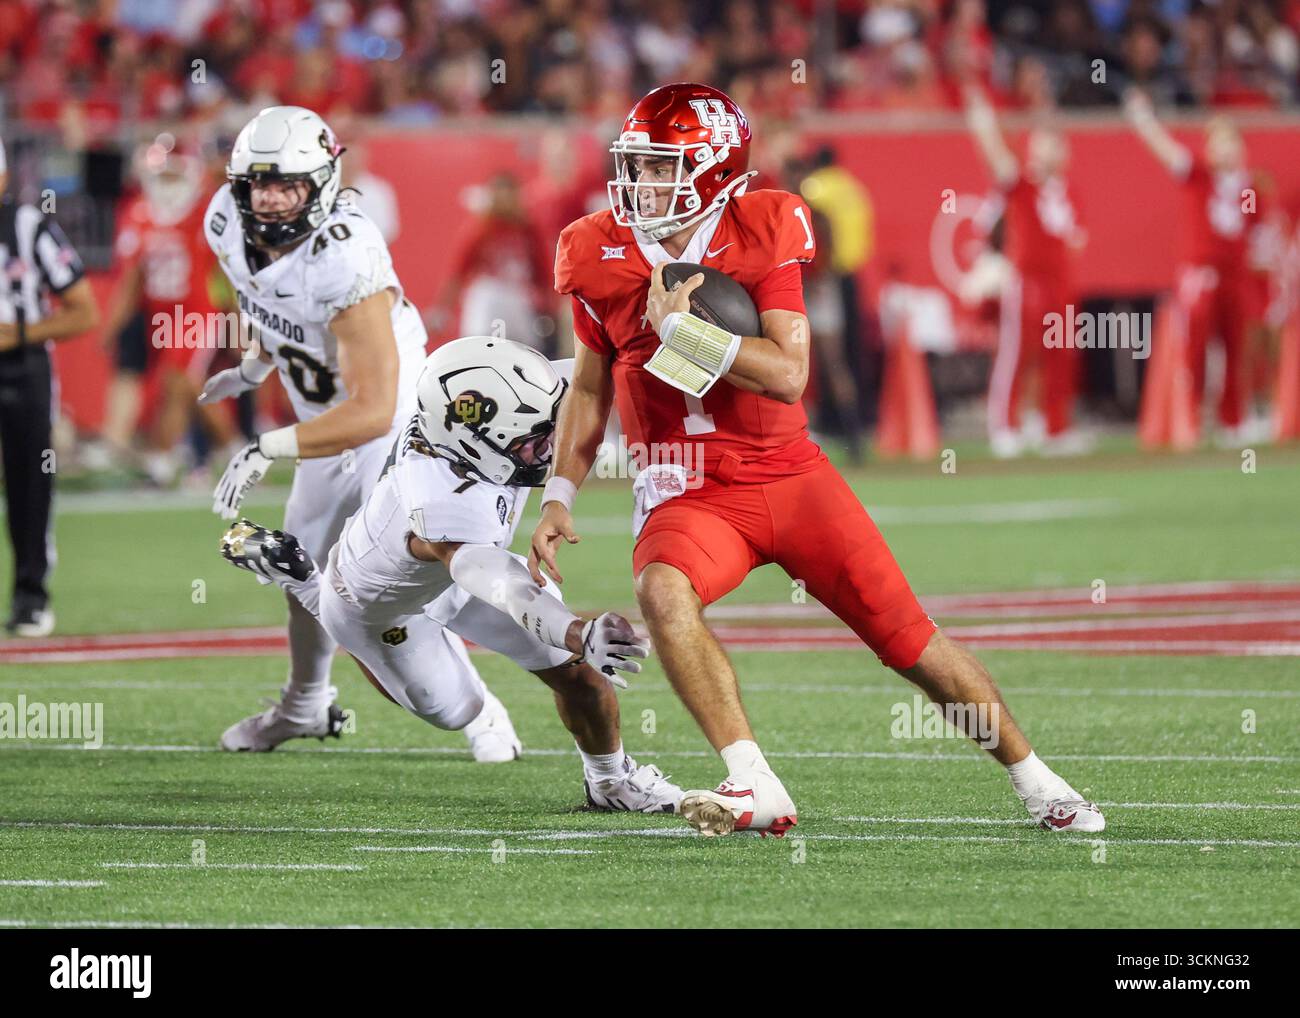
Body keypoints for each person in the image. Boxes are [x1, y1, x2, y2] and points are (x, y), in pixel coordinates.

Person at [531, 82, 1105, 837]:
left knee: (909, 643)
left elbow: (788, 372)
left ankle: (1039, 782)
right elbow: (588, 384)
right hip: (687, 488)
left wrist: (689, 338)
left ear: (710, 169)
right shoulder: (592, 248)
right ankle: (753, 783)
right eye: (635, 164)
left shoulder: (765, 222)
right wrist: (558, 492)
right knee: (663, 592)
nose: (639, 183)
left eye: (660, 166)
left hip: (788, 473)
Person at [221, 336, 680, 812]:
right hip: (375, 605)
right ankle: (304, 581)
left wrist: (705, 349)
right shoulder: (439, 497)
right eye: (532, 441)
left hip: (459, 566)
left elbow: (608, 372)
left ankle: (609, 783)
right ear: (475, 443)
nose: (549, 449)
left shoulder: (510, 406)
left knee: (578, 675)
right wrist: (577, 631)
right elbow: (497, 579)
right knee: (458, 709)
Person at [199, 105, 518, 759]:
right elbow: (260, 296)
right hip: (326, 423)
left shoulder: (345, 252)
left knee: (390, 581)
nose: (271, 200)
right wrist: (255, 365)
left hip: (393, 419)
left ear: (322, 182)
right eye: (259, 184)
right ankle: (305, 704)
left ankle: (485, 711)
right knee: (301, 571)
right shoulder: (225, 223)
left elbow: (372, 409)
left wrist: (267, 445)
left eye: (287, 184)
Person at [0, 136, 101, 636]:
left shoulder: (29, 226)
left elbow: (84, 308)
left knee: (29, 484)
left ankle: (30, 597)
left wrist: (18, 333)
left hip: (21, 367)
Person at [1125, 90, 1257, 444]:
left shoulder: (1248, 188)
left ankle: (1234, 421)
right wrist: (1143, 118)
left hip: (1234, 276)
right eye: (1219, 143)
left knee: (1234, 348)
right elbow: (1166, 151)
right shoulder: (1199, 175)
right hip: (1200, 274)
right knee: (1193, 348)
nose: (1226, 150)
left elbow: (1250, 231)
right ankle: (1189, 418)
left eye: (1232, 142)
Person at [965, 84, 1090, 457]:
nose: (1045, 151)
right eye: (1039, 145)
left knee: (1061, 353)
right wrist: (983, 120)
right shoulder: (1023, 185)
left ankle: (1056, 427)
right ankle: (1004, 425)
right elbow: (996, 156)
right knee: (1016, 352)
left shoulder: (1068, 191)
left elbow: (1076, 237)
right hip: (1028, 281)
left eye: (1052, 145)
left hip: (1061, 282)